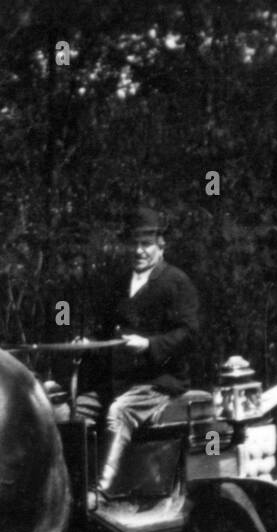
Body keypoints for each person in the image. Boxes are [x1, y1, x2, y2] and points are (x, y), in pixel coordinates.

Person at [86, 206, 199, 510]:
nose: (138, 251)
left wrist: (149, 345)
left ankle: (102, 492)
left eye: (146, 244)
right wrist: (88, 343)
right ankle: (70, 484)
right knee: (75, 411)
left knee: (119, 412)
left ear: (161, 245)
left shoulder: (176, 282)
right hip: (117, 380)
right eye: (133, 243)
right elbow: (104, 330)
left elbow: (189, 334)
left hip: (159, 383)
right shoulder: (117, 285)